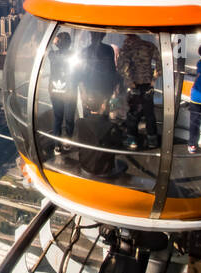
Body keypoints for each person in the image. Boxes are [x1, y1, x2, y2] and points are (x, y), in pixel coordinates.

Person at [75, 38, 124, 176]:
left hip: (85, 167)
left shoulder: (80, 122)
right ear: (103, 105)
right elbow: (118, 146)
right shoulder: (111, 126)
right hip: (104, 170)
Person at [117, 32, 159, 149]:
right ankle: (152, 140)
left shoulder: (127, 48)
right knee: (149, 113)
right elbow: (160, 62)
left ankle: (132, 140)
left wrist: (130, 82)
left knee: (133, 113)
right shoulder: (149, 45)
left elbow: (122, 67)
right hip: (148, 84)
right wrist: (154, 78)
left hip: (134, 85)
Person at [45, 32, 77, 156]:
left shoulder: (53, 55)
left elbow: (48, 47)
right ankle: (67, 142)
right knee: (69, 118)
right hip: (69, 91)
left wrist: (54, 41)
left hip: (55, 91)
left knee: (57, 118)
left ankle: (56, 145)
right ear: (68, 43)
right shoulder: (73, 55)